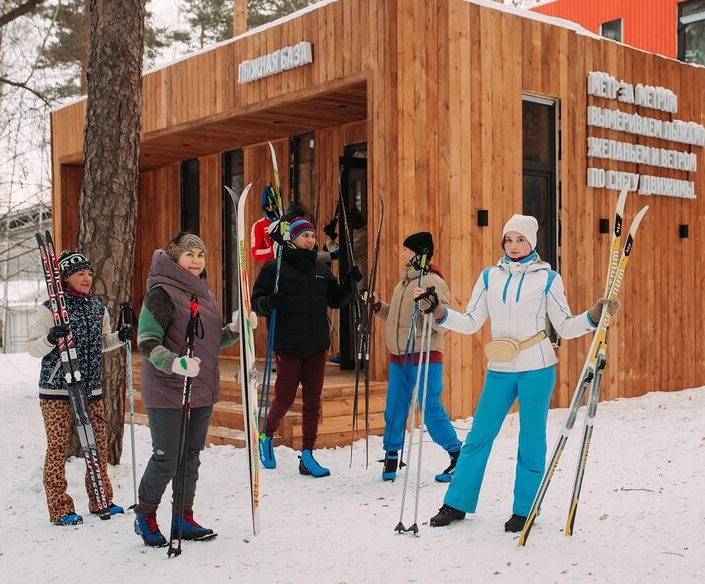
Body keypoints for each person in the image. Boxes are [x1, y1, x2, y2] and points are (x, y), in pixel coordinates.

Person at [419, 214, 619, 533]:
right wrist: (439, 312)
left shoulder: (548, 279)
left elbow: (565, 327)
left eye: (520, 240)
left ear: (532, 242)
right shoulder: (489, 277)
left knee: (531, 438)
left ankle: (525, 509)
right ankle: (456, 503)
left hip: (537, 368)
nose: (513, 246)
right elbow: (470, 322)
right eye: (508, 240)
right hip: (500, 368)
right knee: (478, 436)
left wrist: (594, 316)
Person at [133, 232, 243, 547]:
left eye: (200, 255)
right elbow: (147, 341)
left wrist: (235, 331)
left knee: (190, 456)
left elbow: (210, 341)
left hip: (200, 387)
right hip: (167, 388)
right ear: (175, 257)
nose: (196, 261)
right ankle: (145, 516)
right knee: (167, 458)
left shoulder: (204, 294)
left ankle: (182, 516)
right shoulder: (161, 293)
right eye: (189, 254)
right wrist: (174, 363)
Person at [28, 251, 130, 526]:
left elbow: (103, 342)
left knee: (98, 446)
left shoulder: (98, 308)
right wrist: (51, 338)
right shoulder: (50, 309)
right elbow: (32, 347)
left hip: (90, 388)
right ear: (65, 278)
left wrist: (120, 337)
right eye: (79, 274)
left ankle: (101, 499)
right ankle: (60, 508)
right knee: (58, 447)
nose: (86, 278)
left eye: (89, 273)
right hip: (56, 390)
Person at [252, 215, 357, 477]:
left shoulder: (320, 268)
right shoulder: (274, 268)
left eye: (312, 236)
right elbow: (257, 302)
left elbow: (335, 300)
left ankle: (308, 454)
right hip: (288, 344)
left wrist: (349, 284)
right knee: (285, 398)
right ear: (293, 238)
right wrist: (269, 302)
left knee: (313, 401)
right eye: (304, 236)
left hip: (316, 345)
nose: (310, 240)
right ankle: (266, 434)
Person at [367, 232, 462, 482]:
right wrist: (377, 306)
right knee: (395, 406)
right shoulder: (402, 284)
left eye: (406, 250)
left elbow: (441, 323)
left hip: (426, 354)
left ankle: (457, 453)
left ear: (419, 253)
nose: (402, 254)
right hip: (399, 355)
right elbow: (397, 319)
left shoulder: (433, 282)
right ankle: (391, 454)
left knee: (429, 407)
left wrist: (429, 305)